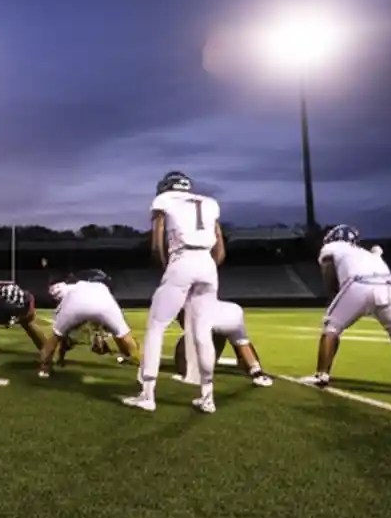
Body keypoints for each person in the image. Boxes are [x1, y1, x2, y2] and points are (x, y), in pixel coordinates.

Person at [123, 171, 225, 414]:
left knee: (156, 327)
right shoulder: (209, 202)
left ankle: (147, 395)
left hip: (182, 259)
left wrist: (167, 267)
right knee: (202, 332)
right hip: (208, 266)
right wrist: (208, 268)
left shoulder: (164, 200)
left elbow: (157, 243)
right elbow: (220, 247)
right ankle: (207, 397)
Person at [300, 225, 391, 392]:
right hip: (390, 284)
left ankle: (322, 375)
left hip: (360, 283)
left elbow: (329, 275)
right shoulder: (367, 253)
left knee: (331, 328)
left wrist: (332, 296)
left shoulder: (331, 248)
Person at [36, 272, 140, 377]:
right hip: (104, 306)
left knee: (54, 338)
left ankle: (44, 370)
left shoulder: (74, 286)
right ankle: (143, 364)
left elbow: (58, 293)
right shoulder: (102, 288)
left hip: (74, 307)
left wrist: (61, 356)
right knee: (126, 337)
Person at [174, 300, 273, 387]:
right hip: (233, 311)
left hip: (213, 317)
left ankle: (193, 373)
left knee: (187, 351)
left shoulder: (195, 315)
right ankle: (257, 372)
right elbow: (243, 344)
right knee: (241, 342)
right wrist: (257, 371)